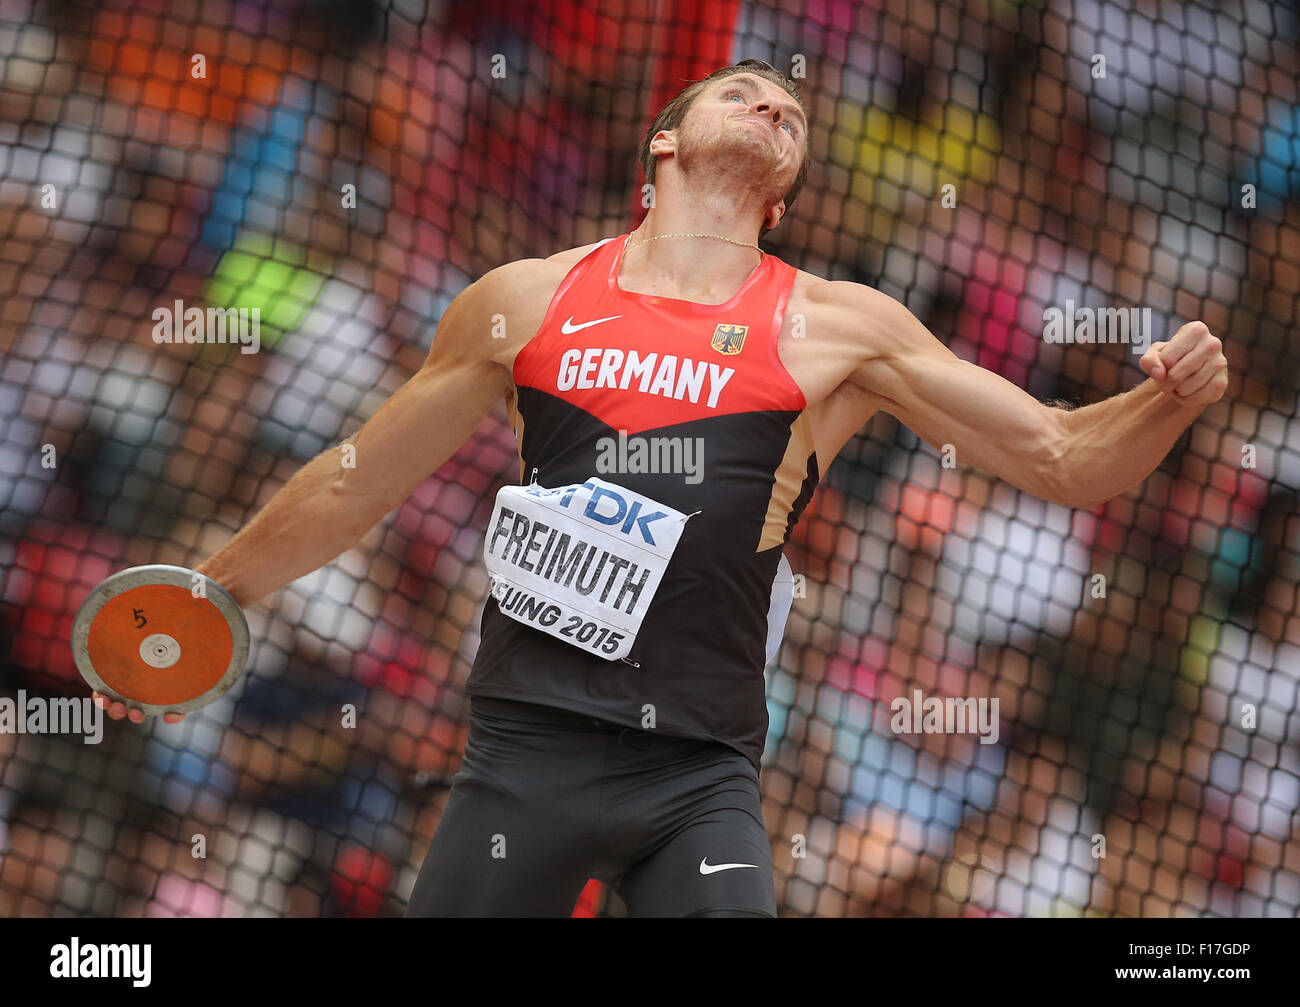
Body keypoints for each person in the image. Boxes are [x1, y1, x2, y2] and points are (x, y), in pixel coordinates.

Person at [96, 60, 1228, 916]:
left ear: (782, 201)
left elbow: (1067, 459)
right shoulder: (525, 300)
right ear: (667, 146)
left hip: (700, 772)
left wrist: (1168, 397)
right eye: (744, 92)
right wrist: (209, 594)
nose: (775, 105)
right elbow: (355, 483)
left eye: (793, 112)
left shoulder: (837, 325)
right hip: (526, 751)